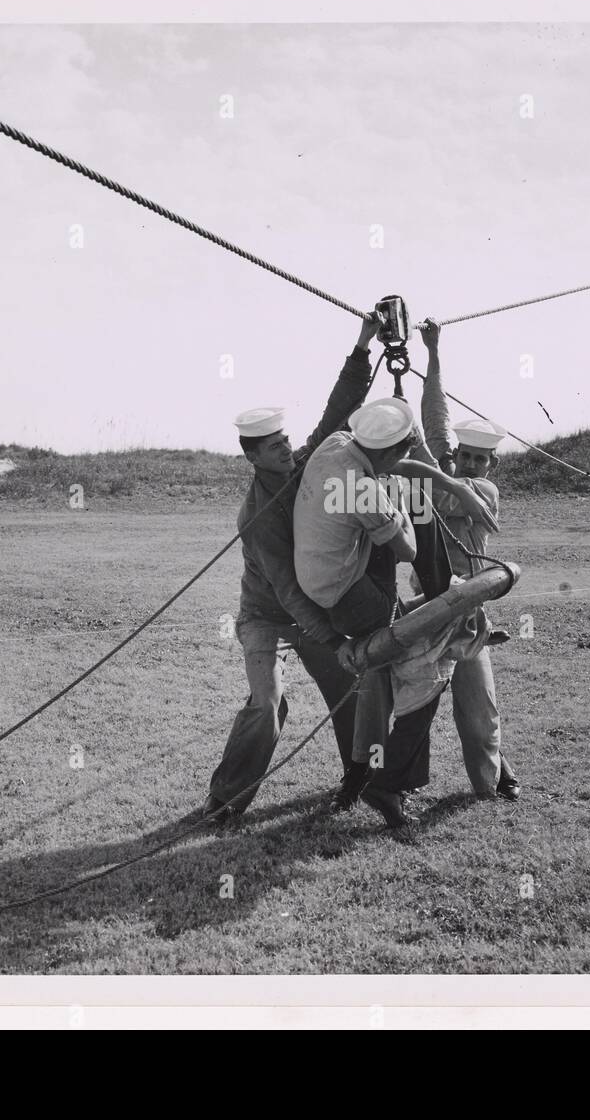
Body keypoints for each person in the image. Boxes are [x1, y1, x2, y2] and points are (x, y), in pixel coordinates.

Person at [201, 313, 380, 826]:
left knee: (352, 688)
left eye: (286, 439)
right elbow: (287, 588)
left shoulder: (304, 465)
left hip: (311, 613)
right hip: (269, 619)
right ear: (253, 458)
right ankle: (225, 802)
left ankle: (357, 779)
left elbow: (337, 413)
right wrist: (333, 635)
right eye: (275, 445)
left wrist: (363, 345)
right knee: (267, 705)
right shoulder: (256, 516)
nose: (288, 447)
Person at [294, 395, 498, 832]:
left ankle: (377, 776)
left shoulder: (336, 445)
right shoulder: (366, 490)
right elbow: (407, 549)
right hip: (356, 602)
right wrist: (402, 505)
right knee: (427, 667)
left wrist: (454, 486)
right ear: (388, 453)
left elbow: (402, 468)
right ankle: (385, 782)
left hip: (325, 585)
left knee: (392, 672)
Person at [415, 318, 521, 802]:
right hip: (426, 606)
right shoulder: (447, 472)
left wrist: (419, 455)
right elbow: (435, 416)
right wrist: (432, 353)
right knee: (412, 704)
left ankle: (493, 777)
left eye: (482, 460)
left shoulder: (480, 491)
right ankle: (393, 781)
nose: (472, 466)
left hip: (469, 611)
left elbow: (441, 483)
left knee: (479, 708)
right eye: (466, 458)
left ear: (491, 465)